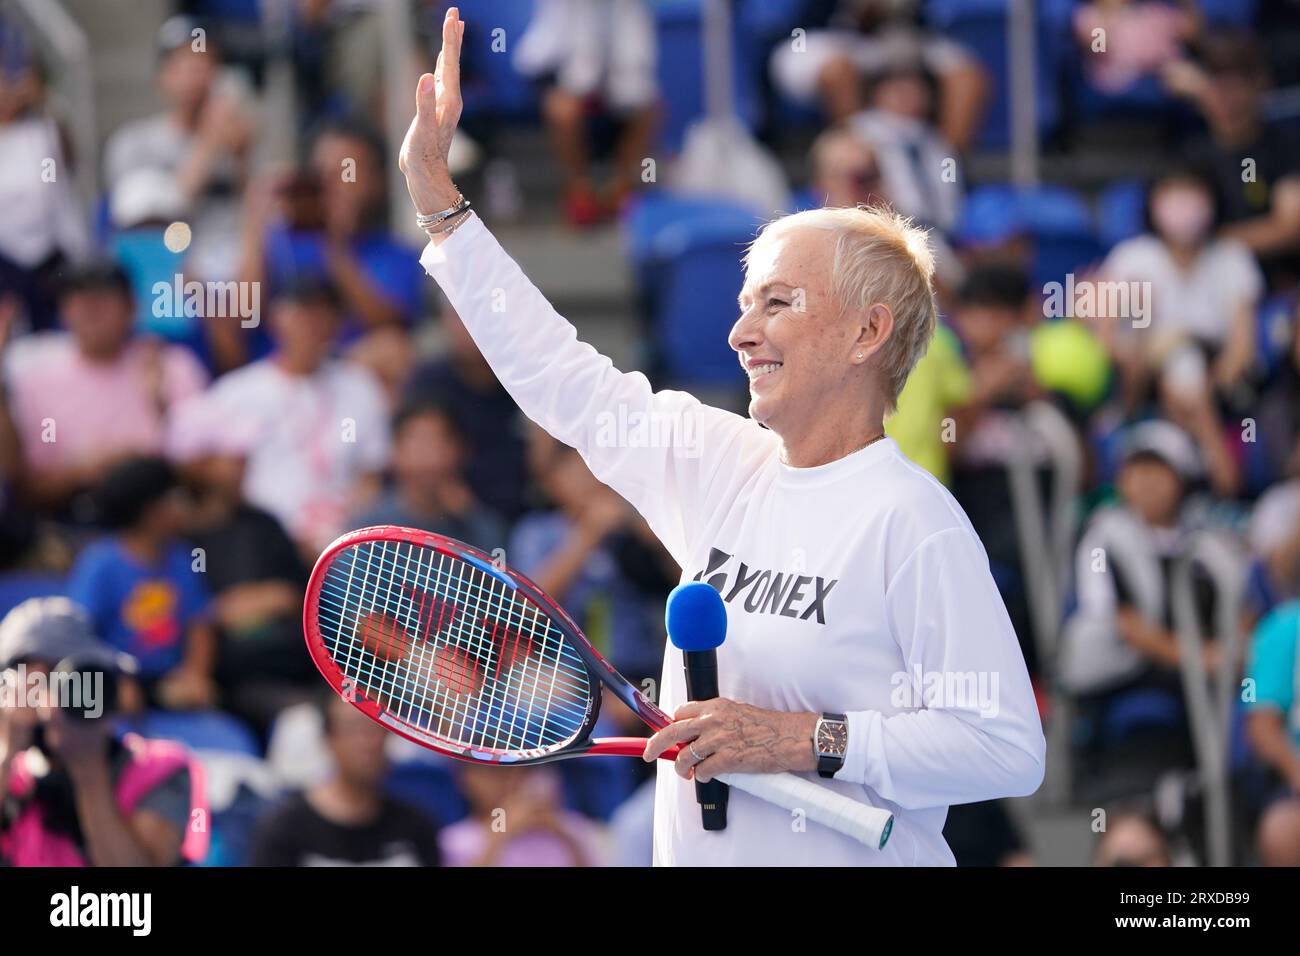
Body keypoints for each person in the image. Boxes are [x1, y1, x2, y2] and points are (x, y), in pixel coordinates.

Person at [398, 9, 1044, 866]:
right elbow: (564, 380)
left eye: (777, 303)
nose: (741, 334)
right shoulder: (718, 465)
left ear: (866, 332)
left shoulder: (912, 522)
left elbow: (1005, 748)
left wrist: (800, 740)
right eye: (743, 305)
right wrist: (443, 209)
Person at [168, 280, 390, 558]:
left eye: (321, 312)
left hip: (345, 542)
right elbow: (193, 463)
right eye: (300, 312)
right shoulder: (237, 391)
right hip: (263, 539)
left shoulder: (359, 385)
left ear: (337, 322)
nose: (311, 323)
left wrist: (342, 535)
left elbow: (370, 476)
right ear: (276, 319)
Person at [0, 597, 207, 866]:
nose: (55, 698)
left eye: (72, 681)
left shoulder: (158, 769)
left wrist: (88, 769)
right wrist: (8, 748)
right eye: (38, 680)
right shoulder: (15, 777)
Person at [3, 262, 208, 513]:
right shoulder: (33, 375)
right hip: (72, 514)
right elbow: (27, 486)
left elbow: (203, 468)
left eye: (102, 299)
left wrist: (160, 409)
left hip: (160, 513)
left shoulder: (171, 365)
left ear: (131, 307)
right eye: (78, 299)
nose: (90, 310)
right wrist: (85, 470)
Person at [66, 457, 217, 710]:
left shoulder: (183, 558)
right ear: (151, 510)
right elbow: (76, 632)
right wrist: (114, 682)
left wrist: (195, 675)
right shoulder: (100, 563)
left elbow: (199, 624)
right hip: (115, 686)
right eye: (175, 498)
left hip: (168, 685)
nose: (185, 506)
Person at [248, 694, 442, 866]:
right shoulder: (286, 829)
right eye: (355, 728)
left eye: (378, 728)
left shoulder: (416, 827)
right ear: (329, 738)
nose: (369, 742)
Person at [513, 0, 658, 226]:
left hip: (618, 89)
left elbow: (640, 58)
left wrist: (619, 88)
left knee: (650, 107)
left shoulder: (631, 7)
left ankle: (620, 190)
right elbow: (531, 58)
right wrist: (578, 80)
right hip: (571, 88)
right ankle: (580, 192)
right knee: (561, 109)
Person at [403, 300, 530, 521]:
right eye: (462, 315)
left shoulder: (530, 382)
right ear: (446, 320)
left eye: (484, 315)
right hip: (439, 507)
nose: (472, 326)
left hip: (517, 515)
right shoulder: (427, 381)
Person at [350, 400, 505, 551]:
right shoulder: (369, 528)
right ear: (396, 451)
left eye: (438, 441)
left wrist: (470, 515)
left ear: (461, 449)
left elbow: (497, 568)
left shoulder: (477, 523)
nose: (429, 456)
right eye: (418, 441)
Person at [440, 762, 606, 867]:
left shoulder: (572, 828)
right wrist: (502, 833)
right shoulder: (454, 841)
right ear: (468, 779)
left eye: (519, 772)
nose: (510, 782)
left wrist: (563, 834)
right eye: (496, 773)